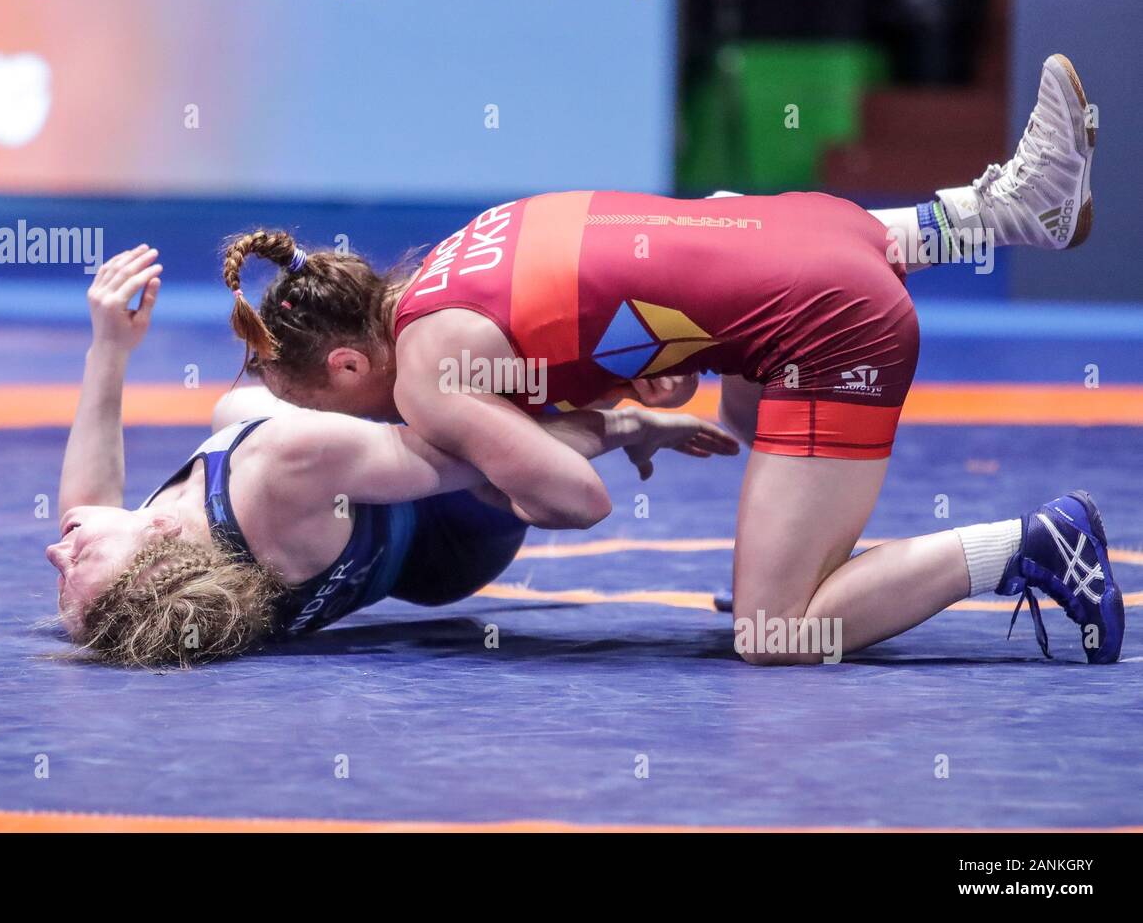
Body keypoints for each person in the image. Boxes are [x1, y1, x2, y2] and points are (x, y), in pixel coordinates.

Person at [222, 53, 1122, 664]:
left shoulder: (423, 377)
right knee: (735, 373)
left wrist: (480, 463)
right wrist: (629, 397)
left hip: (834, 321)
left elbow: (576, 500)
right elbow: (629, 289)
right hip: (801, 232)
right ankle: (990, 212)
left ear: (346, 368)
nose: (349, 430)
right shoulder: (463, 248)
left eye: (323, 409)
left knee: (777, 632)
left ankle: (1031, 544)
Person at [47, 247, 737, 666]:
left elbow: (86, 510)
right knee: (484, 444)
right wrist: (617, 423)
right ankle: (642, 351)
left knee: (244, 407)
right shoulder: (282, 466)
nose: (58, 550)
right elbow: (483, 456)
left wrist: (108, 349)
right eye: (77, 560)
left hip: (374, 524)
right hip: (450, 535)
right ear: (158, 546)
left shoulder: (159, 575)